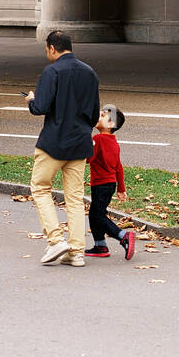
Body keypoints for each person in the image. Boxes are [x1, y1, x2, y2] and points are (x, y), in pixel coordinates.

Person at [27, 30, 101, 267]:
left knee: (40, 188)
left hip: (53, 142)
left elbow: (41, 107)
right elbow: (93, 114)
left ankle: (56, 240)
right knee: (75, 198)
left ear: (51, 48)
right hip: (80, 143)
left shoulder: (52, 71)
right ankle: (77, 252)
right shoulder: (90, 73)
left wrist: (30, 100)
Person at [85, 104, 136, 260]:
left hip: (100, 184)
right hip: (109, 184)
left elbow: (89, 159)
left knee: (97, 215)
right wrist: (121, 188)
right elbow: (118, 167)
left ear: (111, 124)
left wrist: (85, 143)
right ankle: (100, 245)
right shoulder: (113, 141)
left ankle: (122, 236)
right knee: (96, 215)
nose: (98, 116)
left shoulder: (98, 139)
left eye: (102, 116)